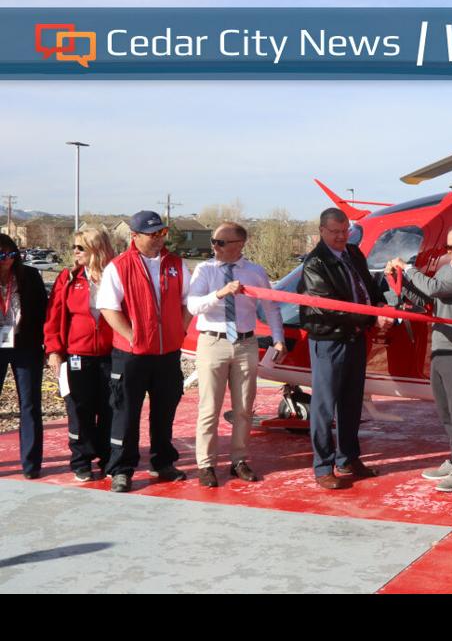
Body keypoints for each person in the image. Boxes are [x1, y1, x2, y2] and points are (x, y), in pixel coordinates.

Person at [385, 224, 452, 493]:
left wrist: (408, 269)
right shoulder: (446, 270)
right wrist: (398, 281)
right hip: (441, 347)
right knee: (445, 410)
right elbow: (428, 300)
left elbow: (434, 289)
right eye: (449, 247)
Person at [97, 210, 192, 493]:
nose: (159, 238)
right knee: (126, 413)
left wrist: (181, 329)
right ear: (135, 236)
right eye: (153, 234)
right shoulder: (119, 266)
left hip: (167, 354)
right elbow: (108, 308)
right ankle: (121, 469)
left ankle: (163, 462)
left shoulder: (176, 264)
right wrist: (131, 337)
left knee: (164, 411)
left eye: (162, 232)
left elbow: (188, 301)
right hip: (131, 355)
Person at [186, 222, 286, 487]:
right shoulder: (205, 269)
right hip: (213, 342)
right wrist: (220, 293)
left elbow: (271, 307)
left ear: (239, 244)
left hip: (245, 344)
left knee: (243, 408)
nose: (215, 247)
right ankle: (206, 464)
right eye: (213, 241)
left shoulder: (255, 272)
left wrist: (278, 339)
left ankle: (239, 460)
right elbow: (193, 305)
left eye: (221, 242)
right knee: (209, 408)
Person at [298, 208, 389, 490]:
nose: (341, 237)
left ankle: (348, 458)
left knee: (351, 403)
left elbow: (367, 287)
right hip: (329, 340)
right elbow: (328, 307)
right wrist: (372, 318)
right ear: (322, 231)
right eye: (335, 232)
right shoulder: (315, 264)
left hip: (354, 338)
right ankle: (323, 467)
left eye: (344, 231)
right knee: (324, 407)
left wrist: (381, 304)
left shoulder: (353, 253)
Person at [44, 227, 116, 482]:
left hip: (110, 355)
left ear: (97, 249)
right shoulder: (69, 278)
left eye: (80, 247)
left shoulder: (115, 276)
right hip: (77, 355)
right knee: (79, 409)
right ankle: (81, 460)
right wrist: (54, 351)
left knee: (109, 408)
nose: (75, 252)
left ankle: (108, 458)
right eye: (74, 247)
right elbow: (53, 317)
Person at [0, 234, 48, 479]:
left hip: (26, 346)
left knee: (29, 404)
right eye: (1, 255)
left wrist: (47, 345)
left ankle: (31, 464)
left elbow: (43, 311)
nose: (7, 260)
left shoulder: (29, 276)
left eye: (11, 254)